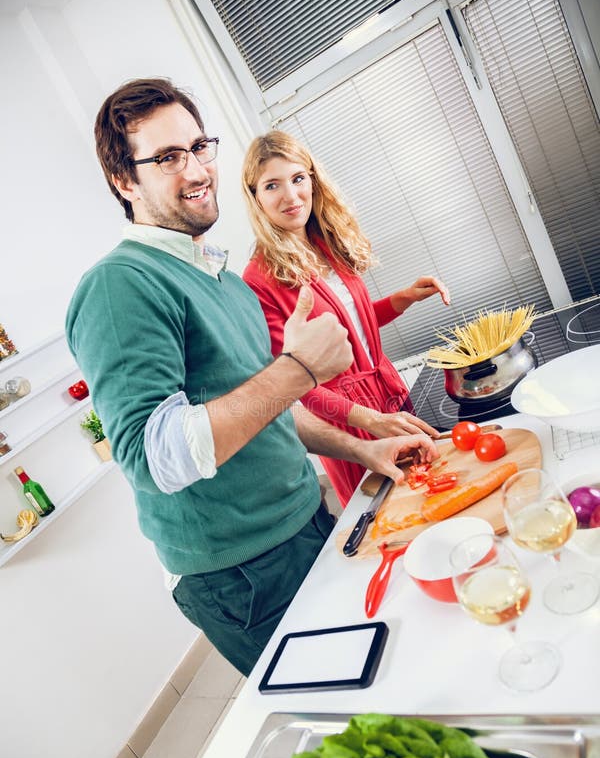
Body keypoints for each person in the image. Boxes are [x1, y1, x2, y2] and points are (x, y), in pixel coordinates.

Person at [65, 78, 439, 676]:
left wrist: (362, 448)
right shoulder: (121, 284)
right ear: (124, 181)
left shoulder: (223, 282)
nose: (195, 171)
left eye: (199, 146)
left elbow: (270, 409)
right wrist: (297, 369)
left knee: (383, 675)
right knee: (345, 716)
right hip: (240, 573)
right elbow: (154, 457)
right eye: (166, 158)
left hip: (306, 522)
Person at [242, 130, 451, 507]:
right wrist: (368, 421)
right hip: (348, 422)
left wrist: (402, 299)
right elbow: (295, 382)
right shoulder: (260, 278)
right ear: (255, 196)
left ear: (312, 179)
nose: (291, 196)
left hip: (390, 397)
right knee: (390, 517)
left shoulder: (323, 245)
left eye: (297, 179)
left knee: (433, 496)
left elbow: (349, 329)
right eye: (272, 185)